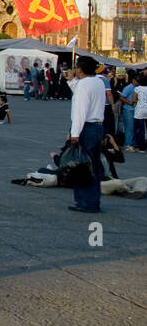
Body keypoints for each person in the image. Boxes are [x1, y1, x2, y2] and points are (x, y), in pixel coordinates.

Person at [67, 56, 107, 213]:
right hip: (97, 126)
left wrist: (75, 132)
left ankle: (85, 201)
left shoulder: (84, 84)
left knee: (82, 166)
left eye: (76, 68)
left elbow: (80, 110)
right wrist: (71, 81)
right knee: (93, 165)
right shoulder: (98, 81)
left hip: (86, 127)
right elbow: (82, 93)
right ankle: (93, 200)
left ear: (80, 69)